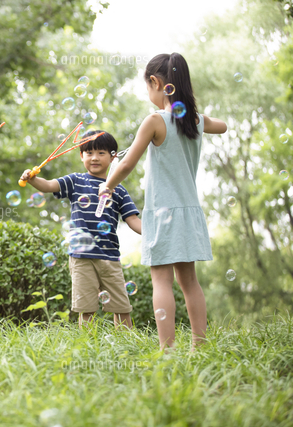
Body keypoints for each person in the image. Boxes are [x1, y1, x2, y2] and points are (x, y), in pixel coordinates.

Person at [98, 53, 227, 350]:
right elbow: (222, 126)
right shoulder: (194, 121)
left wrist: (108, 185)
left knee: (162, 282)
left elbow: (127, 164)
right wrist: (197, 115)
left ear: (156, 82)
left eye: (148, 87)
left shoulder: (154, 121)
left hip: (162, 212)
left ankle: (167, 350)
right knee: (190, 282)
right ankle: (200, 346)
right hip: (189, 212)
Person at [20, 130, 142, 329]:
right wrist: (32, 179)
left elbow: (133, 220)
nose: (94, 157)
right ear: (81, 155)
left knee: (121, 307)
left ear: (113, 157)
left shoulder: (118, 189)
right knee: (87, 308)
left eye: (101, 153)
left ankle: (126, 344)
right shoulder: (75, 181)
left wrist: (153, 232)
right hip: (81, 257)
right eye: (89, 152)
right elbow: (49, 185)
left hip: (109, 256)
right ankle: (88, 345)